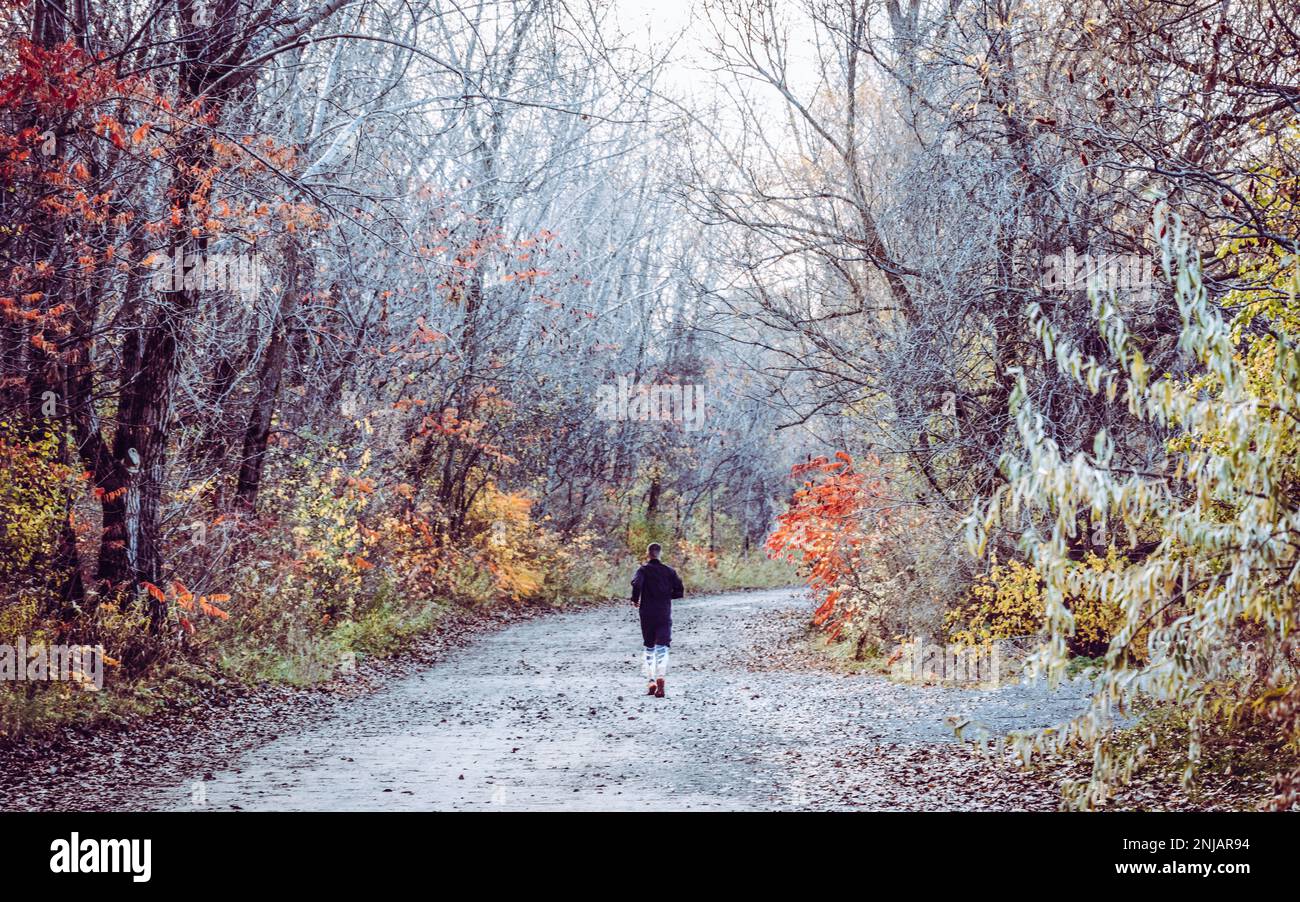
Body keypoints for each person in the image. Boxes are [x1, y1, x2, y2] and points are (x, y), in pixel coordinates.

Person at [631, 542, 684, 698]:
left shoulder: (642, 570)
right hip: (663, 612)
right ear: (660, 553)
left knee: (649, 646)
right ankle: (661, 676)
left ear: (648, 554)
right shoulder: (669, 571)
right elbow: (680, 591)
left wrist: (635, 599)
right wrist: (667, 595)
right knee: (662, 646)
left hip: (647, 612)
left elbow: (636, 583)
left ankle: (651, 680)